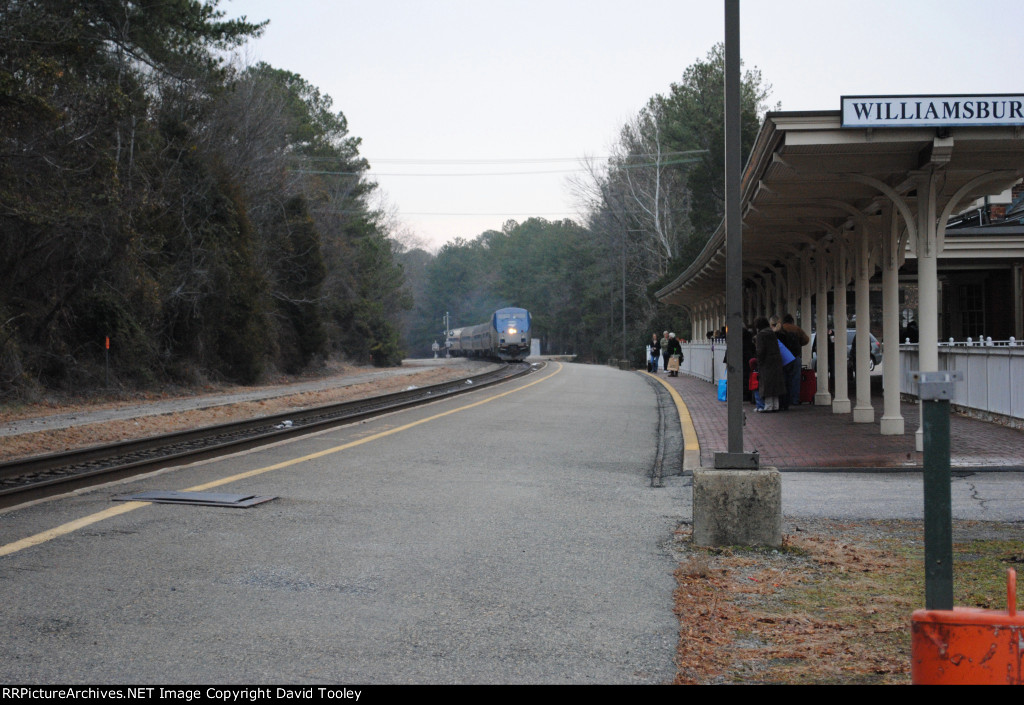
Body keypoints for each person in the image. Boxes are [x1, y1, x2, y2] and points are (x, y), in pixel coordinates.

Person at [753, 317, 786, 412]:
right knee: (775, 384)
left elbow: (760, 351)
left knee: (767, 384)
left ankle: (768, 406)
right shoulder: (772, 333)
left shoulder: (761, 335)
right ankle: (776, 405)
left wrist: (759, 361)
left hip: (766, 362)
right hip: (776, 361)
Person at [780, 313, 809, 406]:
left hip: (784, 357)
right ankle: (794, 400)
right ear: (792, 321)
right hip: (795, 356)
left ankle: (785, 400)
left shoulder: (781, 329)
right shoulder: (796, 329)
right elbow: (806, 340)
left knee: (784, 379)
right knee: (795, 379)